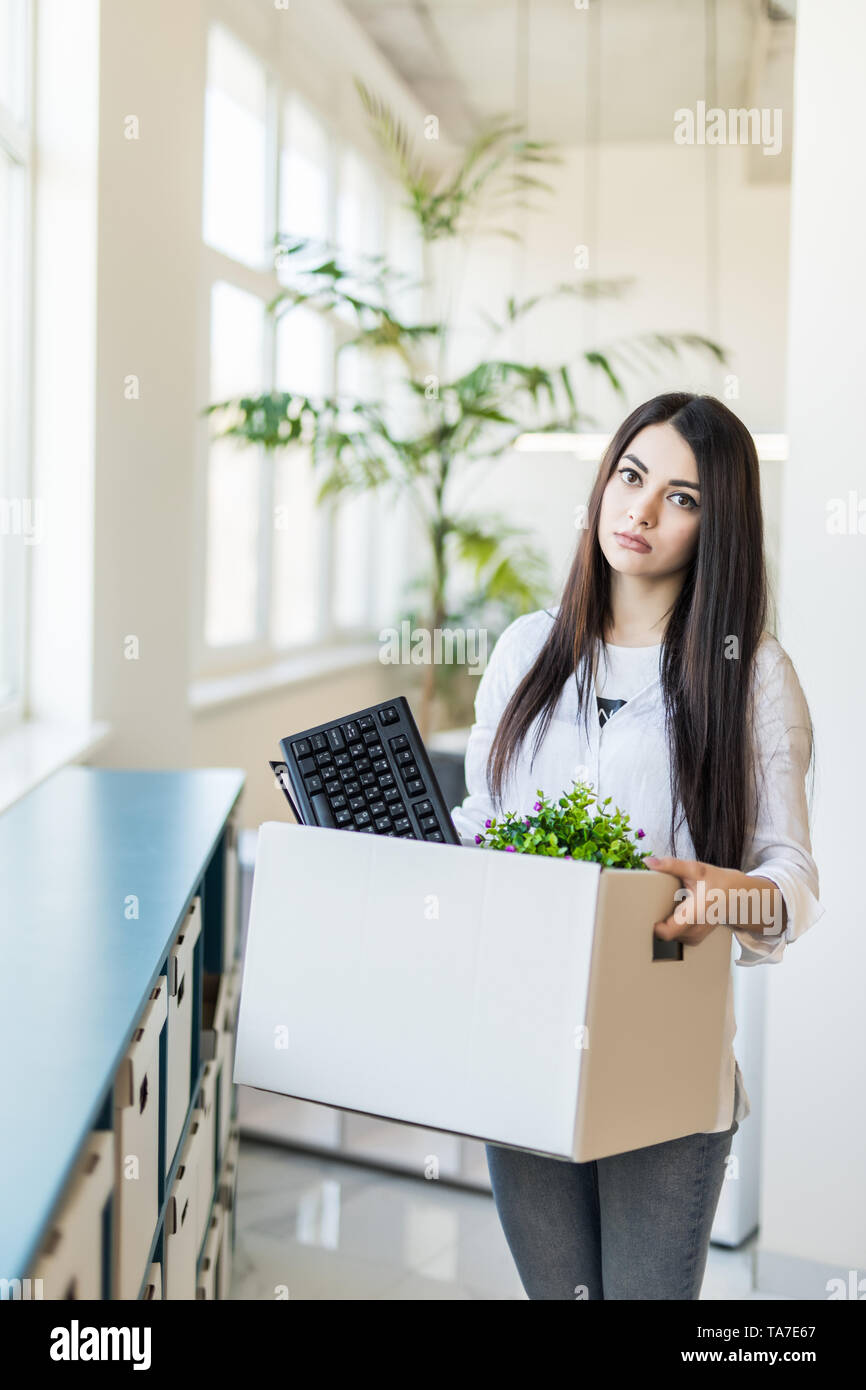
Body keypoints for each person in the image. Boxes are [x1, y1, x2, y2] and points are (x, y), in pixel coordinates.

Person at [450, 391, 824, 1300]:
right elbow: (480, 827)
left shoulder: (753, 675)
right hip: (523, 1037)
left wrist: (725, 894)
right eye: (631, 476)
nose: (642, 511)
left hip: (665, 1056)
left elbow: (792, 879)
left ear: (716, 525)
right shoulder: (527, 651)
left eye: (681, 497)